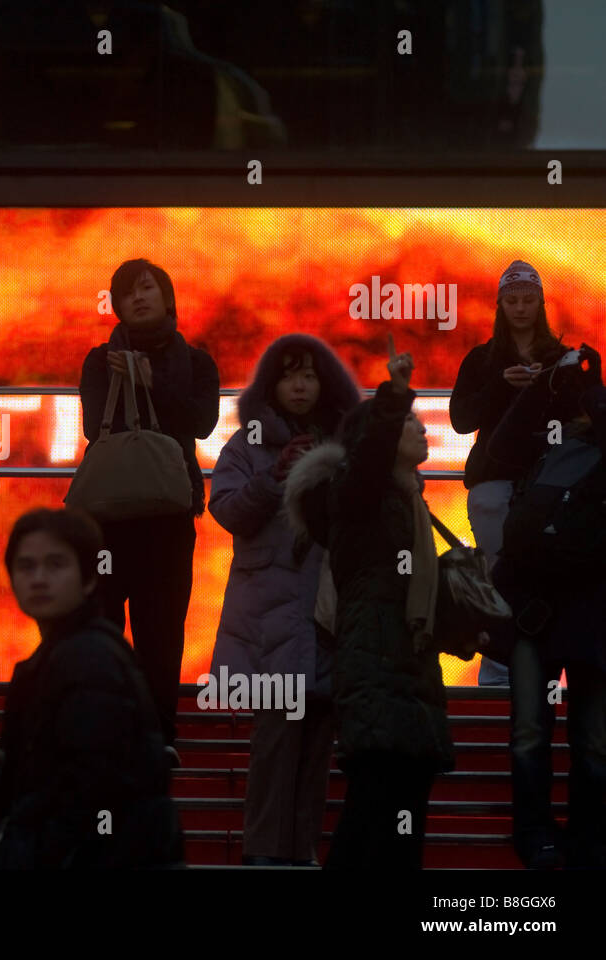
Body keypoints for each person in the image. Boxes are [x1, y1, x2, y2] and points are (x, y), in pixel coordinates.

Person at [287, 338, 453, 869]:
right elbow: (366, 463)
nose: (422, 428)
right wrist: (393, 399)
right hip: (378, 675)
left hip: (410, 679)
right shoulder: (358, 500)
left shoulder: (411, 506)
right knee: (371, 819)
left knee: (402, 828)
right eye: (411, 422)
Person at [208, 334, 360, 866]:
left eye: (311, 375)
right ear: (271, 383)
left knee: (318, 744)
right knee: (275, 741)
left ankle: (301, 854)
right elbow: (226, 510)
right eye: (290, 374)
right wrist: (275, 479)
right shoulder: (247, 443)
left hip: (325, 615)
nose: (301, 385)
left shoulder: (346, 445)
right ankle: (264, 854)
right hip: (271, 616)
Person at [0, 507, 184, 869]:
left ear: (89, 579)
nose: (38, 578)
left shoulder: (88, 660)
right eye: (26, 567)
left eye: (56, 565)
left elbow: (91, 794)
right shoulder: (66, 654)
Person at [78, 258, 219, 755]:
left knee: (161, 633)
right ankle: (105, 732)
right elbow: (95, 428)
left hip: (169, 516)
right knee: (102, 628)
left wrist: (151, 381)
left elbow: (201, 423)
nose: (137, 298)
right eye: (125, 293)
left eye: (146, 288)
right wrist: (125, 382)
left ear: (167, 296)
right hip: (107, 520)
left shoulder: (196, 362)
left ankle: (157, 738)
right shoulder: (100, 360)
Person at [488, 344, 606, 870]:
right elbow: (498, 448)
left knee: (595, 737)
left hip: (594, 611)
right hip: (534, 608)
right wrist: (542, 386)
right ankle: (534, 833)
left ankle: (589, 839)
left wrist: (596, 393)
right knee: (529, 729)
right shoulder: (543, 444)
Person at [450, 260, 564, 686]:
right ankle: (498, 671)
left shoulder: (561, 358)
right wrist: (500, 383)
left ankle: (542, 673)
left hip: (549, 485)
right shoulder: (482, 359)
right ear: (500, 305)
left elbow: (580, 420)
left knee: (544, 578)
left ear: (541, 303)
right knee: (499, 573)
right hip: (494, 484)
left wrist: (549, 387)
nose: (520, 308)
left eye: (528, 299)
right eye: (512, 300)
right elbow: (461, 419)